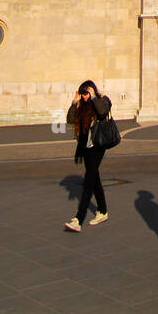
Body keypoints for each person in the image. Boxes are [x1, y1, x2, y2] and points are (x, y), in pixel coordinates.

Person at [64, 80, 112, 232]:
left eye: (86, 93)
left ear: (92, 91)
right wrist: (74, 102)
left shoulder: (103, 101)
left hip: (98, 146)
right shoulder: (82, 106)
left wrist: (92, 97)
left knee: (88, 180)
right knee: (94, 178)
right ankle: (103, 211)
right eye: (82, 93)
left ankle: (79, 218)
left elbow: (102, 112)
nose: (84, 96)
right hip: (85, 147)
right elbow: (70, 120)